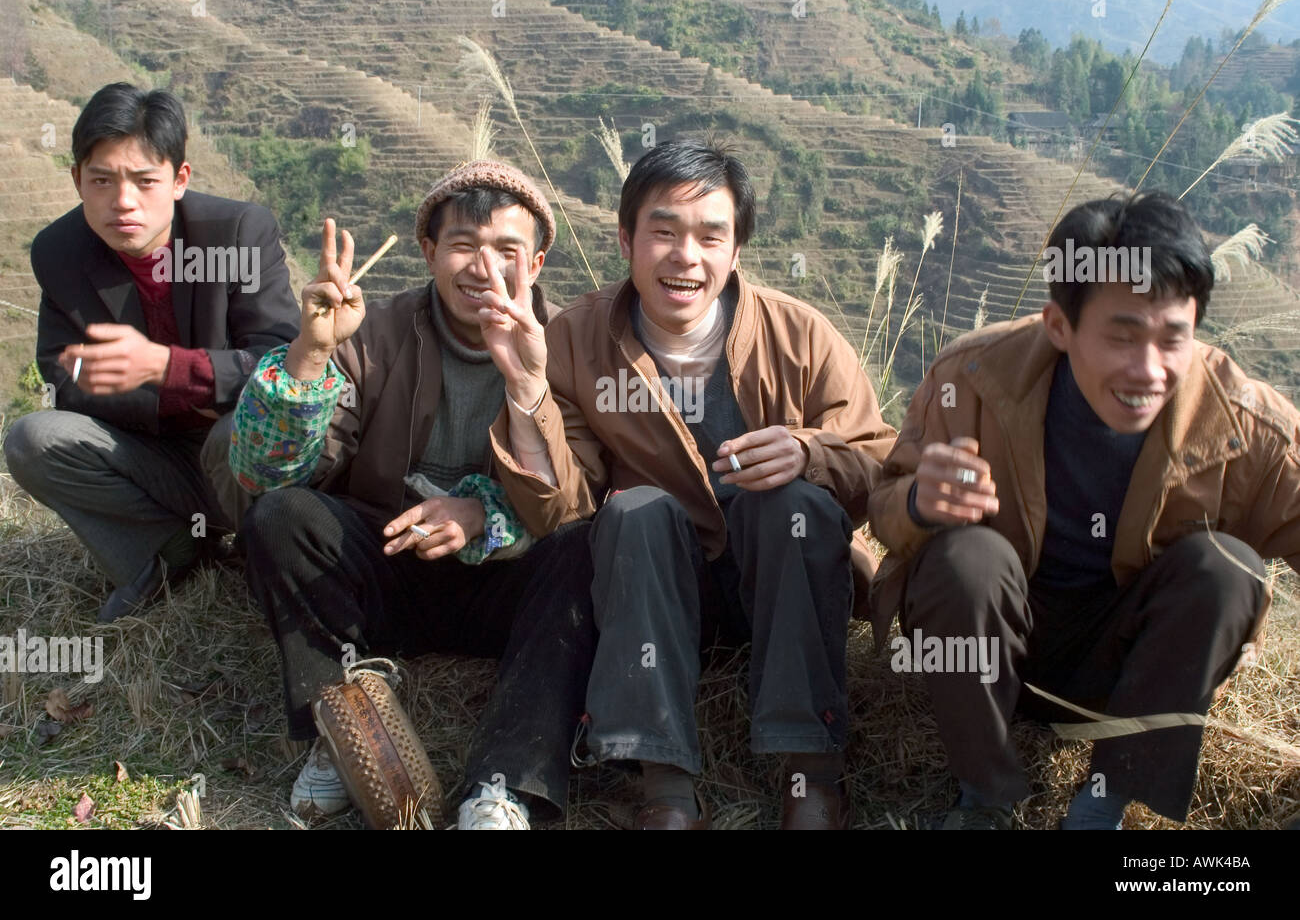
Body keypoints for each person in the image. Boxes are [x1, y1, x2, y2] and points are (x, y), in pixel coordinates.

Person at [478, 139, 897, 829]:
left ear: (736, 250)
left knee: (792, 503)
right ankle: (665, 788)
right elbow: (565, 511)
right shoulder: (576, 340)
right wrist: (527, 388)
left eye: (710, 236)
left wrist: (807, 452)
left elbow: (879, 464)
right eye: (663, 232)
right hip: (661, 594)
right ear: (626, 239)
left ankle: (810, 776)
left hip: (784, 589)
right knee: (635, 511)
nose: (686, 257)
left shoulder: (799, 334)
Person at [867, 192, 1295, 829]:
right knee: (965, 558)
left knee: (1227, 569)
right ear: (1059, 326)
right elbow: (884, 508)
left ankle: (1105, 802)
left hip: (1134, 670)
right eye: (1122, 336)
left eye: (1173, 338)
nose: (1148, 370)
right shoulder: (974, 377)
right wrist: (918, 503)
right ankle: (987, 795)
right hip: (995, 655)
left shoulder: (1244, 423)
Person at [228, 160, 595, 830]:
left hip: (506, 586)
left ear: (536, 263)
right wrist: (310, 354)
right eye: (463, 246)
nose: (483, 268)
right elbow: (268, 477)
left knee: (584, 548)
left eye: (507, 251)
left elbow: (574, 499)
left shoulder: (571, 349)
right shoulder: (371, 333)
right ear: (429, 252)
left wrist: (486, 511)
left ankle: (505, 784)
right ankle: (342, 731)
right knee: (280, 516)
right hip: (388, 567)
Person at [3, 82, 298, 623]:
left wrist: (166, 369)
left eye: (144, 181)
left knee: (247, 424)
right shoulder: (61, 251)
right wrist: (175, 396)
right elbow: (64, 378)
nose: (123, 202)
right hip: (149, 454)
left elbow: (281, 362)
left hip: (233, 452)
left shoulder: (236, 233)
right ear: (77, 181)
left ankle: (268, 555)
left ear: (179, 179)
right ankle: (169, 550)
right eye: (102, 181)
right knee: (32, 439)